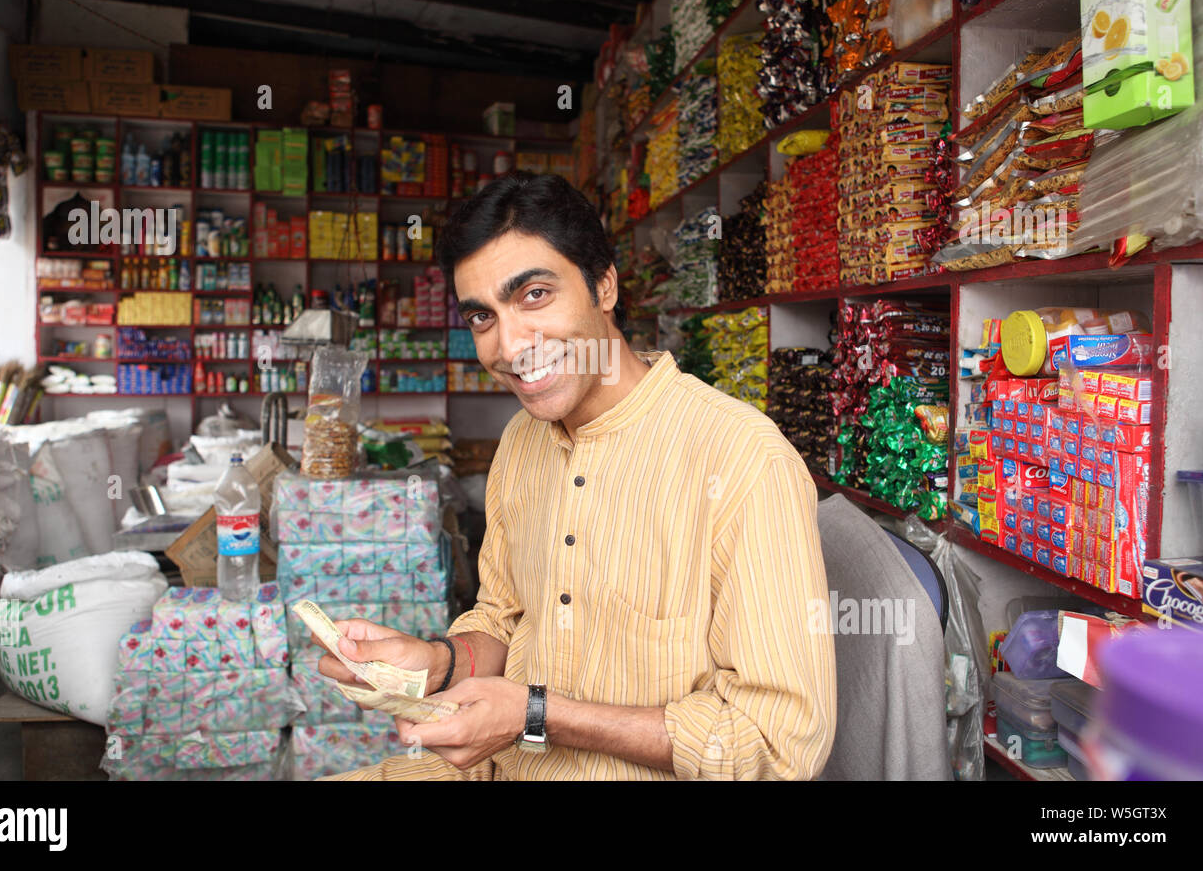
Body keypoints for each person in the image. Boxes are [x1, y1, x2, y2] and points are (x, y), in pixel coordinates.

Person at [317, 172, 835, 780]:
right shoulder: (521, 441)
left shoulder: (740, 458)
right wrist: (437, 662)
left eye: (535, 295)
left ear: (605, 284)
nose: (510, 346)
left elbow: (776, 746)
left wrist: (536, 715)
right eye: (483, 317)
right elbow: (505, 620)